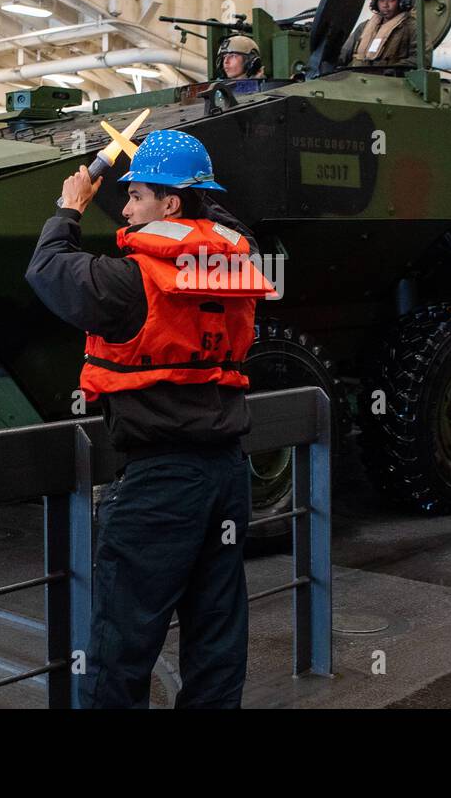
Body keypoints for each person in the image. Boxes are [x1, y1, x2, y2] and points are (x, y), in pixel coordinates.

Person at [25, 128, 273, 708]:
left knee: (120, 646)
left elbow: (47, 269)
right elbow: (226, 228)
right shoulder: (235, 264)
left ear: (170, 204)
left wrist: (69, 208)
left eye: (137, 195)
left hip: (159, 485)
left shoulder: (129, 281)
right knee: (216, 640)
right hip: (226, 476)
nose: (127, 206)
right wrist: (190, 186)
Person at [340, 0, 416, 68]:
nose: (385, 5)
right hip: (356, 78)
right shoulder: (363, 27)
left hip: (390, 80)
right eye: (381, 0)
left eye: (391, 0)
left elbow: (420, 60)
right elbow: (343, 55)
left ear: (402, 2)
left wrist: (394, 70)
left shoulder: (412, 28)